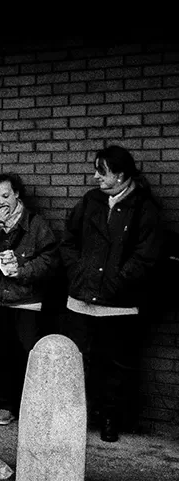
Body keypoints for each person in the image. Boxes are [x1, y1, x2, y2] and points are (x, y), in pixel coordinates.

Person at [60, 145, 163, 442]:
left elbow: (147, 256)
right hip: (81, 301)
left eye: (101, 171)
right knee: (81, 361)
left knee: (116, 365)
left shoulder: (144, 207)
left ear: (120, 175)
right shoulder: (90, 201)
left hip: (119, 305)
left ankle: (110, 419)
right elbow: (68, 241)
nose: (95, 177)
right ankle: (81, 416)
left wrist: (116, 282)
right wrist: (78, 272)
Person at [0, 172, 60, 426]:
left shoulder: (36, 224)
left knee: (27, 357)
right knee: (0, 355)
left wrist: (22, 270)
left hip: (27, 302)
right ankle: (6, 405)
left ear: (17, 193)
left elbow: (50, 260)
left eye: (6, 195)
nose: (2, 202)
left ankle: (30, 407)